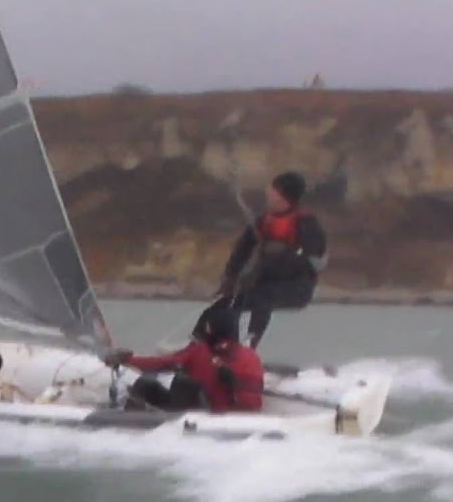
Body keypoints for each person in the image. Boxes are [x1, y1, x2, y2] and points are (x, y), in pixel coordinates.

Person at [211, 171, 327, 349]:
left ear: (283, 195)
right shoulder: (263, 221)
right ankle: (216, 344)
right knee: (233, 301)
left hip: (297, 286)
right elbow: (241, 251)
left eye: (272, 189)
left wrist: (279, 258)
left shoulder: (306, 223)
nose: (268, 192)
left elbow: (314, 260)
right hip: (265, 282)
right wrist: (230, 278)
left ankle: (247, 348)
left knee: (259, 299)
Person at [102, 306, 264, 413]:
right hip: (245, 416)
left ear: (213, 328)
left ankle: (129, 414)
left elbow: (162, 364)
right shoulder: (252, 356)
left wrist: (127, 359)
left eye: (208, 326)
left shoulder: (200, 350)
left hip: (208, 414)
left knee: (151, 385)